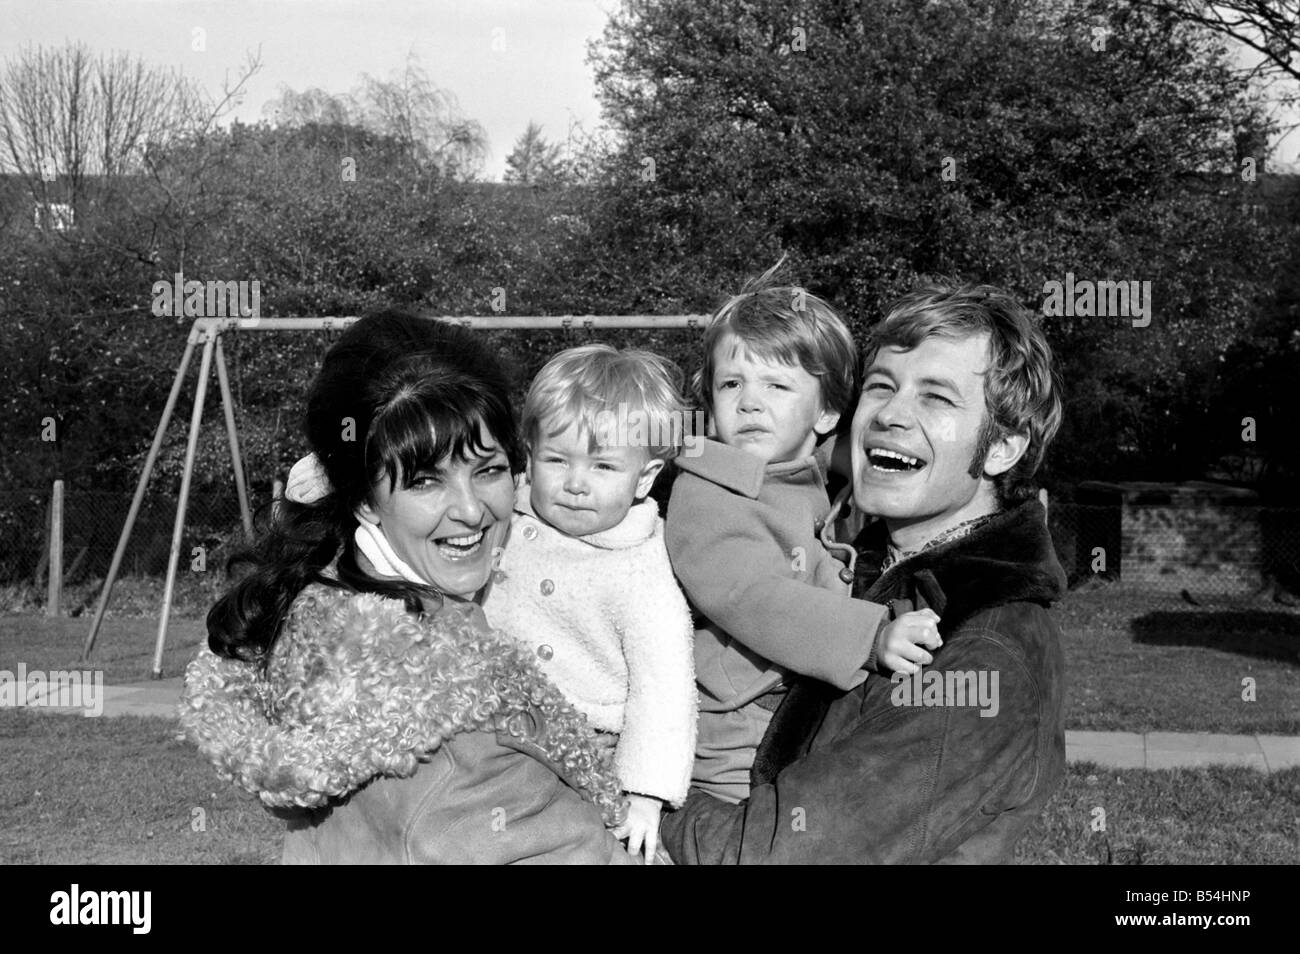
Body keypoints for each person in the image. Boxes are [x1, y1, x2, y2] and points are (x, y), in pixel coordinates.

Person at [179, 310, 635, 865]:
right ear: (363, 497)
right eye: (425, 481)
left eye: (488, 470)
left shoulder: (308, 611)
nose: (472, 511)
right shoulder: (463, 733)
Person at [661, 282, 1068, 864]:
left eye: (936, 398)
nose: (890, 415)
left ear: (1002, 448)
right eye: (881, 386)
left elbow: (775, 857)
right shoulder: (862, 556)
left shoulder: (986, 652)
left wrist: (622, 790)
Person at [665, 264, 942, 805]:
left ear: (826, 412)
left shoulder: (787, 470)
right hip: (738, 723)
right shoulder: (705, 492)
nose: (749, 401)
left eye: (776, 385)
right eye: (731, 383)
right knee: (755, 837)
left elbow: (829, 451)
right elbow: (752, 598)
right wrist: (870, 636)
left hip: (784, 699)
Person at [483, 344, 697, 864]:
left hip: (587, 748)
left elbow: (663, 685)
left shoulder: (640, 568)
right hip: (487, 727)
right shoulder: (500, 519)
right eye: (557, 460)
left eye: (603, 466)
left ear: (643, 478)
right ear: (529, 454)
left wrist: (644, 794)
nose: (576, 484)